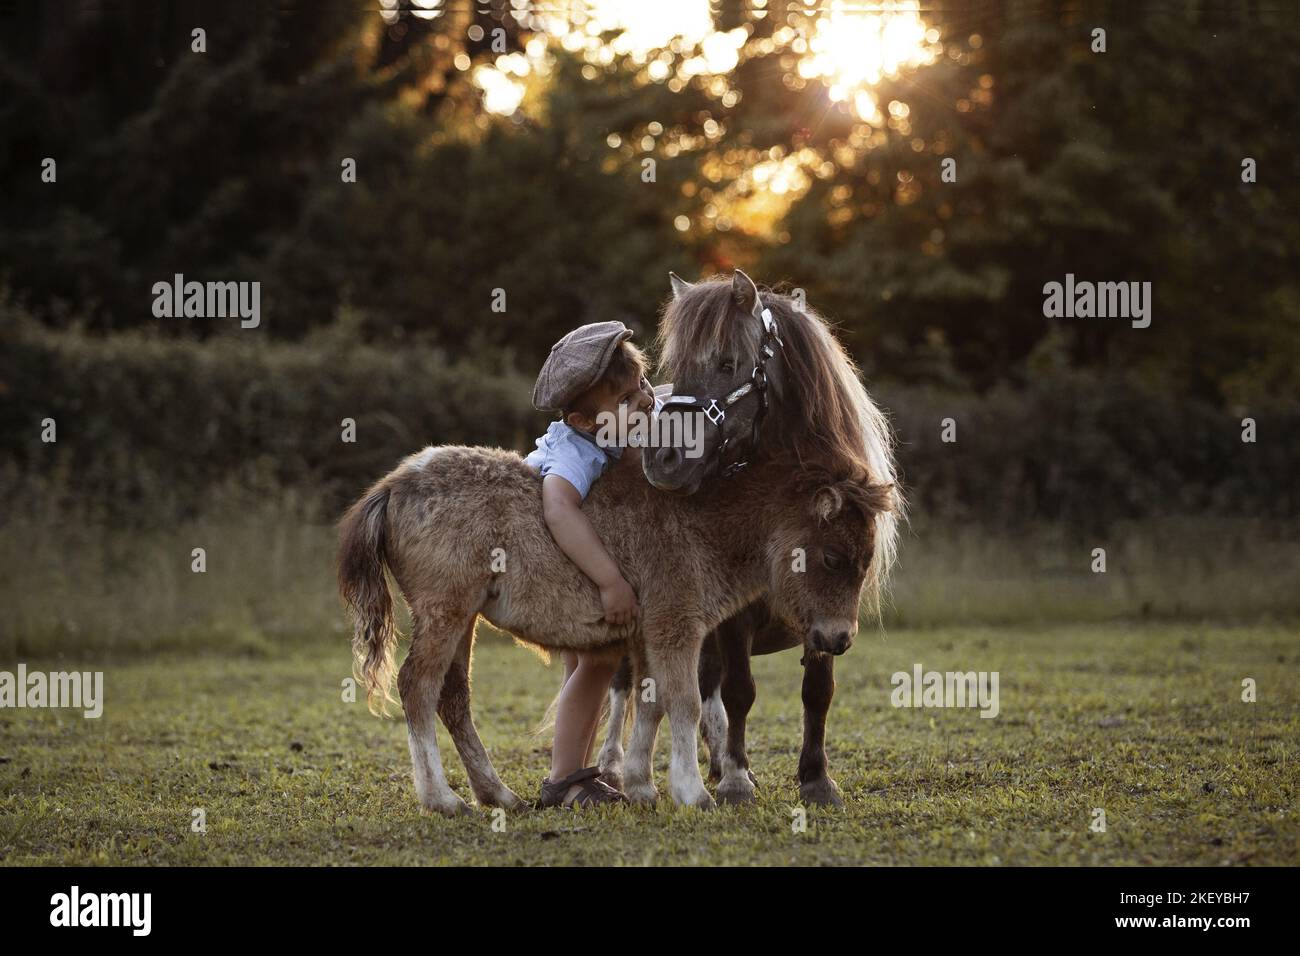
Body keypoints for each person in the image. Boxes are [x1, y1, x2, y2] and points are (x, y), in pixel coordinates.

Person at [524, 320, 661, 808]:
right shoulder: (576, 452)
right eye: (625, 401)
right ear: (584, 421)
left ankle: (578, 771)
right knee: (599, 661)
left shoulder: (615, 423)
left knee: (591, 664)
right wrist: (611, 581)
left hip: (570, 555)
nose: (643, 401)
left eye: (641, 386)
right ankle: (563, 780)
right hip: (548, 559)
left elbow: (656, 402)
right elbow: (558, 507)